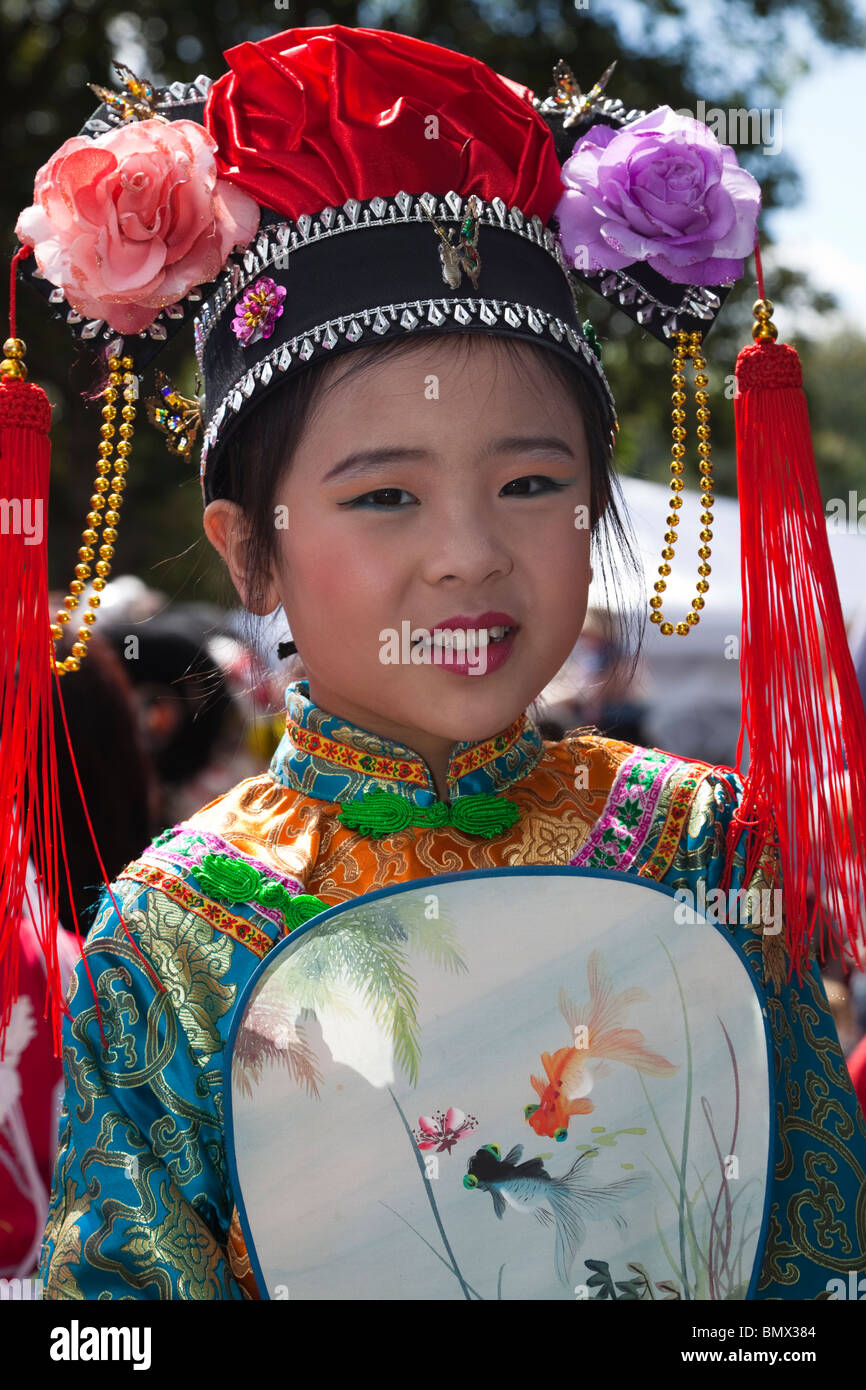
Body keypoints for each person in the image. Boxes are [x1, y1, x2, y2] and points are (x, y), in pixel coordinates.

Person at [3, 24, 865, 1300]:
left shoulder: (699, 841)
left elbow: (812, 1249)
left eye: (530, 482)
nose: (469, 554)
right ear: (251, 554)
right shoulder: (173, 924)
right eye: (384, 497)